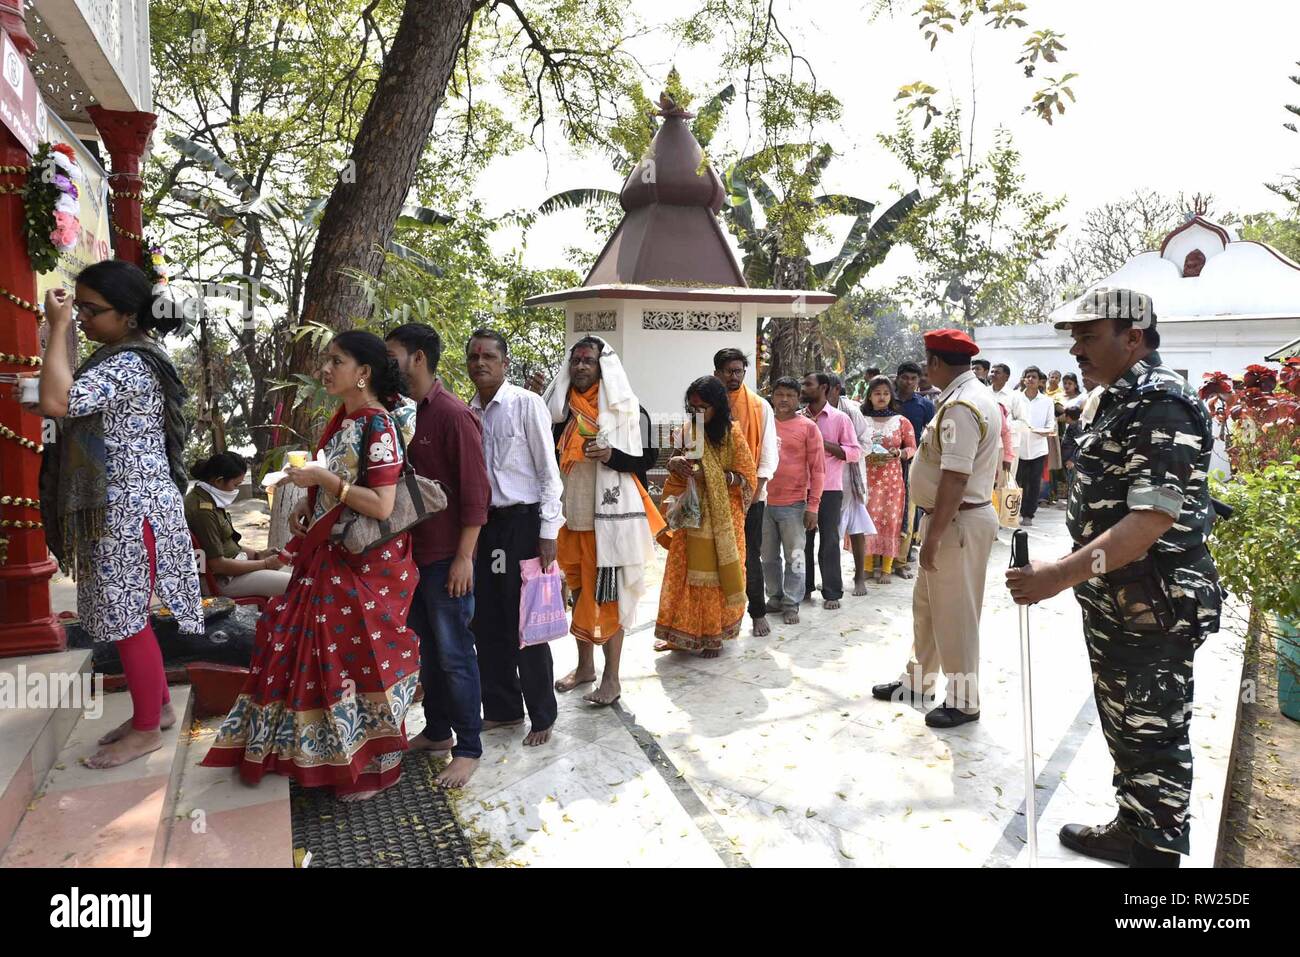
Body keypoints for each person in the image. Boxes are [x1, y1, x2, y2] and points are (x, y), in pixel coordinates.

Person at [1006, 288, 1222, 868]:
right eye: (1073, 337)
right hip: (1120, 599)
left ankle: (1157, 852)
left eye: (1088, 336)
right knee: (1128, 720)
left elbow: (1146, 524)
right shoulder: (1117, 398)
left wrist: (1057, 574)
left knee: (1152, 727)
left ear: (1134, 337)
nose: (1076, 349)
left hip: (1154, 598)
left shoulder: (1160, 404)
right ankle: (1137, 826)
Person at [203, 331, 419, 799]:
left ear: (363, 373)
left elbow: (381, 505)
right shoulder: (346, 420)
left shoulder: (377, 426)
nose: (325, 369)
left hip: (362, 567)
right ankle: (317, 755)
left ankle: (371, 768)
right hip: (328, 560)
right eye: (327, 360)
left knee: (357, 662)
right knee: (318, 657)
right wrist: (309, 500)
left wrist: (325, 481)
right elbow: (338, 484)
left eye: (335, 360)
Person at [38, 263, 202, 770]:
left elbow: (53, 400)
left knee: (127, 621)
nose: (83, 317)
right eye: (80, 308)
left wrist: (59, 328)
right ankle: (159, 711)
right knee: (130, 617)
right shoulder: (126, 357)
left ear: (128, 316)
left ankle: (147, 731)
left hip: (128, 510)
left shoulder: (126, 365)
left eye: (92, 310)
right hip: (134, 504)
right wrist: (66, 330)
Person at [871, 329, 1001, 728]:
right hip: (948, 519)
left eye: (927, 362)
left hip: (956, 522)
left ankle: (963, 700)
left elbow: (955, 479)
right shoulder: (964, 397)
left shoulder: (962, 405)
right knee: (927, 608)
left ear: (935, 363)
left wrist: (935, 536)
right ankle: (918, 680)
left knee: (956, 615)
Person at [385, 323, 490, 788]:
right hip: (410, 557)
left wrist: (465, 558)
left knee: (454, 655)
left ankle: (469, 748)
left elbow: (475, 495)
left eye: (393, 356)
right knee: (426, 653)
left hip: (447, 558)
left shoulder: (451, 415)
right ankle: (438, 731)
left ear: (419, 358)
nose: (387, 364)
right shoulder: (400, 414)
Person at [546, 336, 660, 706]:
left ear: (602, 366)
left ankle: (611, 679)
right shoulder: (558, 411)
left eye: (588, 361)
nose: (580, 366)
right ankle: (584, 668)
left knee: (609, 598)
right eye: (576, 360)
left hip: (608, 524)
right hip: (569, 519)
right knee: (578, 594)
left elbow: (647, 459)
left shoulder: (628, 410)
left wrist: (612, 455)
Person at [465, 329, 562, 748]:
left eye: (488, 356)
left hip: (521, 526)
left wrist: (547, 531)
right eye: (473, 356)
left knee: (526, 619)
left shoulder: (526, 404)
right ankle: (502, 709)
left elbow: (548, 473)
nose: (480, 363)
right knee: (487, 619)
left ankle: (542, 714)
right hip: (484, 528)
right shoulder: (469, 411)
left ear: (504, 362)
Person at [654, 377, 758, 657]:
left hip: (724, 518)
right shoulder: (689, 430)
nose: (696, 413)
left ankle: (714, 635)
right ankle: (680, 633)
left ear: (718, 406)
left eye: (702, 408)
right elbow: (675, 460)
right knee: (684, 572)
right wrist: (674, 463)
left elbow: (747, 478)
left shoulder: (732, 434)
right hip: (692, 514)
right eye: (692, 408)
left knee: (714, 577)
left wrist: (714, 476)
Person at [713, 349, 778, 637]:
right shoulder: (707, 403)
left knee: (750, 554)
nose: (734, 376)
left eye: (739, 370)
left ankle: (757, 613)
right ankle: (717, 618)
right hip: (712, 494)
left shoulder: (760, 406)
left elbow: (767, 454)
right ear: (717, 373)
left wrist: (755, 491)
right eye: (728, 370)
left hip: (752, 494)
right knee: (714, 556)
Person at [761, 377, 824, 625]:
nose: (784, 399)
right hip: (764, 502)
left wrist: (813, 506)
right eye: (779, 394)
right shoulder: (763, 424)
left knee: (796, 556)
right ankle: (774, 597)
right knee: (767, 556)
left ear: (798, 398)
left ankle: (791, 602)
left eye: (790, 395)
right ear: (772, 396)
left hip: (795, 504)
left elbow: (818, 470)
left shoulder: (808, 428)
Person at [186, 452, 291, 598]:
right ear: (218, 481)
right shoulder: (202, 510)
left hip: (232, 569)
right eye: (235, 485)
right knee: (296, 584)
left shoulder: (206, 498)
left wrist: (257, 554)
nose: (236, 490)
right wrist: (265, 564)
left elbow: (227, 544)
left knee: (297, 574)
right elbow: (218, 564)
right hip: (220, 581)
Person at [799, 372, 861, 609]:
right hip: (800, 488)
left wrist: (821, 443)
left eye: (808, 384)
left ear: (823, 387)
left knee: (829, 541)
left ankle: (832, 592)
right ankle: (803, 588)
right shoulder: (796, 418)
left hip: (829, 489)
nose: (803, 388)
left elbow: (854, 452)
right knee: (800, 541)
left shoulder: (840, 419)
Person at [860, 375, 917, 583]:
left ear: (891, 396)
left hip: (892, 481)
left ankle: (886, 569)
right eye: (877, 393)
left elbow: (912, 447)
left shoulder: (901, 421)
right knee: (868, 521)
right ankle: (867, 567)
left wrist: (899, 454)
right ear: (870, 396)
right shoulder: (861, 420)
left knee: (890, 522)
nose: (881, 397)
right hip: (867, 480)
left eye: (885, 393)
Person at [827, 374, 875, 594]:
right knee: (830, 532)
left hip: (850, 478)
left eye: (825, 389)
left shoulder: (851, 412)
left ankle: (859, 578)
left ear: (836, 389)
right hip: (827, 480)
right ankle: (831, 578)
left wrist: (843, 453)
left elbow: (865, 444)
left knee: (856, 530)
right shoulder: (813, 413)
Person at [893, 361, 936, 579]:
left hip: (912, 463)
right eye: (905, 378)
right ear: (897, 378)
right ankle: (880, 558)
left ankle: (902, 558)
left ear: (918, 381)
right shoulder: (887, 400)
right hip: (885, 465)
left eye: (913, 379)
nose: (909, 382)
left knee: (908, 513)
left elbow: (931, 436)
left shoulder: (925, 405)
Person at [1015, 366, 1057, 526]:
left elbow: (1050, 424)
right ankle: (1015, 511)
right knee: (1018, 481)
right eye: (1028, 376)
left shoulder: (1047, 401)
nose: (1031, 379)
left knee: (1034, 482)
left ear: (1040, 381)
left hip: (1038, 448)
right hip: (1018, 447)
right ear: (1024, 379)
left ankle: (1028, 514)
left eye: (1034, 377)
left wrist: (1043, 431)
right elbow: (1010, 418)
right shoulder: (1016, 398)